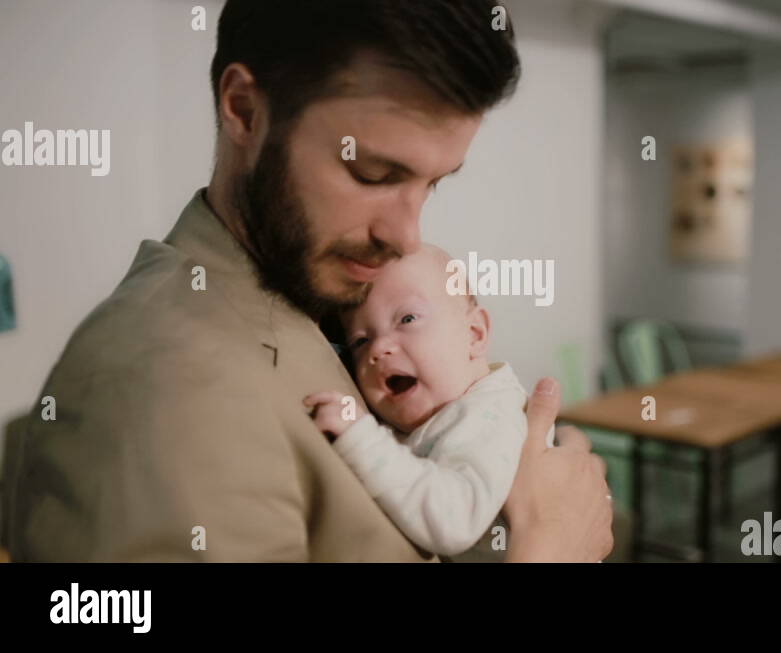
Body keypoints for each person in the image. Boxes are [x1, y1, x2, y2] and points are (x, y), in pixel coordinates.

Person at [4, 0, 612, 562]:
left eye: (434, 183)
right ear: (245, 109)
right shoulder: (159, 386)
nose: (406, 234)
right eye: (372, 172)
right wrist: (550, 551)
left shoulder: (324, 298)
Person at [306, 244, 557, 557]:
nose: (379, 348)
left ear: (474, 334)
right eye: (360, 340)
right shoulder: (443, 412)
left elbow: (455, 522)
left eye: (407, 318)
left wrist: (362, 439)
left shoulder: (490, 417)